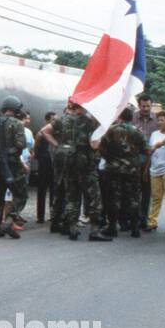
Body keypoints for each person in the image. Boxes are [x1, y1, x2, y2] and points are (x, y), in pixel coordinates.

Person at [55, 100, 110, 242]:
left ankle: (72, 228)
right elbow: (94, 145)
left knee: (71, 197)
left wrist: (59, 146)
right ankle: (94, 231)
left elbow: (47, 133)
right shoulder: (88, 122)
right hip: (86, 164)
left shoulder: (61, 120)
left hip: (68, 164)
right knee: (94, 197)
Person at [100, 107, 147, 238]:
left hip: (113, 169)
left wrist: (110, 159)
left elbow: (101, 147)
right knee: (133, 198)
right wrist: (136, 161)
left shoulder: (111, 130)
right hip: (132, 169)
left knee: (113, 198)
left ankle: (112, 227)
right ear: (131, 118)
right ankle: (135, 228)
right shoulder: (137, 131)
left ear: (119, 116)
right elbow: (145, 149)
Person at [0, 94, 28, 239]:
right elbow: (21, 145)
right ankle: (9, 221)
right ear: (15, 109)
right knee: (20, 193)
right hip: (12, 165)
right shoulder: (17, 124)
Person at [132, 93, 157, 230]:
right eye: (143, 106)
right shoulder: (132, 118)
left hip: (151, 159)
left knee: (147, 191)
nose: (146, 109)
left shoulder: (157, 120)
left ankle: (144, 218)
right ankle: (132, 218)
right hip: (134, 158)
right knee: (133, 190)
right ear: (139, 105)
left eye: (148, 106)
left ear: (151, 105)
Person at [34, 111, 57, 228]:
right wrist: (38, 157)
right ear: (47, 120)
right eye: (52, 119)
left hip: (52, 163)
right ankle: (40, 216)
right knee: (42, 189)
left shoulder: (55, 132)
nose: (54, 122)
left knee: (54, 189)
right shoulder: (41, 133)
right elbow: (36, 147)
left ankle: (53, 214)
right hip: (44, 162)